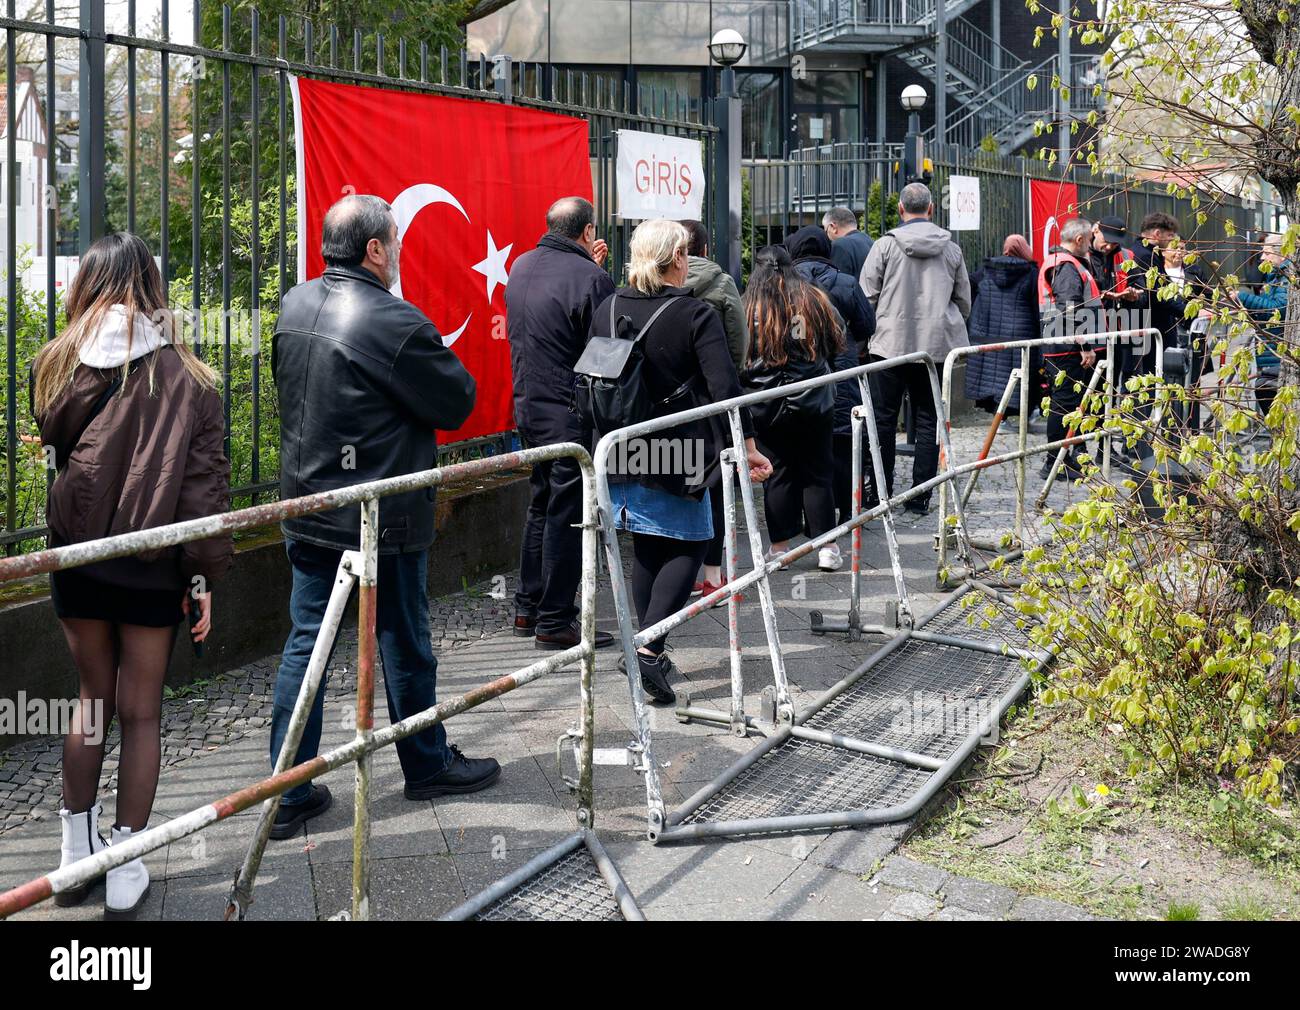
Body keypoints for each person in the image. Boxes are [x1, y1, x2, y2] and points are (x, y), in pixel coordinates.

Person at [270, 194, 498, 840]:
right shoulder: (394, 322)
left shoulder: (293, 304)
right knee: (403, 639)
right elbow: (458, 399)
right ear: (374, 249)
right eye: (394, 240)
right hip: (379, 516)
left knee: (305, 646)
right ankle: (425, 763)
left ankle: (286, 792)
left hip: (308, 506)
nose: (398, 250)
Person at [32, 232, 232, 918]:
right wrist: (204, 581)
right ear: (153, 286)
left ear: (87, 284)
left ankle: (71, 860)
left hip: (77, 559)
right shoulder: (191, 376)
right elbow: (205, 498)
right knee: (141, 711)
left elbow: (54, 442)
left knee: (91, 699)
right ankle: (125, 867)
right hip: (153, 564)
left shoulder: (55, 364)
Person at [588, 219, 771, 703]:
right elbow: (724, 389)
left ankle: (642, 643)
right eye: (686, 253)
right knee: (691, 544)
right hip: (681, 447)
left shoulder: (608, 306)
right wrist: (749, 447)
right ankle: (648, 650)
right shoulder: (694, 314)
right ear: (675, 260)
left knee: (648, 546)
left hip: (619, 444)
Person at [505, 197, 616, 651]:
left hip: (528, 406)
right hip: (569, 411)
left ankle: (527, 607)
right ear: (588, 232)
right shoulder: (592, 278)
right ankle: (555, 619)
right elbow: (606, 354)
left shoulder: (520, 266)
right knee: (567, 514)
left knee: (540, 504)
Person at [859, 182, 971, 513]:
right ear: (931, 209)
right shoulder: (951, 249)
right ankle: (921, 497)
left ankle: (879, 493)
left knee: (882, 420)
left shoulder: (884, 246)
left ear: (900, 209)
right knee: (927, 420)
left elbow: (866, 296)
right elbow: (963, 299)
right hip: (935, 346)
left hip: (889, 343)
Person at [743, 245, 844, 570]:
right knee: (818, 472)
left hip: (765, 404)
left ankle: (780, 549)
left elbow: (737, 353)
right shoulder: (813, 299)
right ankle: (826, 546)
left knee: (777, 472)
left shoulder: (748, 307)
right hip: (813, 399)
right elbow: (835, 340)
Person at [784, 224, 877, 531]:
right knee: (843, 442)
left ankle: (808, 520)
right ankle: (848, 513)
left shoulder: (781, 285)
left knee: (798, 446)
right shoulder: (846, 282)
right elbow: (867, 325)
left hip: (795, 374)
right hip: (840, 366)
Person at [682, 219, 749, 603]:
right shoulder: (721, 283)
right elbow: (738, 343)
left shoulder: (653, 280)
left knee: (679, 475)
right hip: (711, 396)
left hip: (669, 402)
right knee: (716, 481)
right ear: (705, 249)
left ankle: (685, 572)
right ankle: (712, 575)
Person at [1037, 216, 1103, 476]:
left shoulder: (1063, 263)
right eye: (1089, 240)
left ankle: (1063, 458)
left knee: (1069, 404)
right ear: (1079, 240)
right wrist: (1085, 345)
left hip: (1062, 344)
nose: (1091, 245)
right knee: (1064, 405)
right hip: (1066, 348)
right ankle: (1055, 462)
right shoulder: (1067, 265)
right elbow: (1070, 307)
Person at [965, 234, 1041, 415]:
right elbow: (1037, 306)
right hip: (1020, 335)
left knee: (992, 378)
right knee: (1019, 378)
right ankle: (1023, 417)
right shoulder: (1031, 273)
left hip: (988, 336)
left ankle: (999, 419)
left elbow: (968, 287)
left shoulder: (985, 270)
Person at [1236, 233, 1291, 418]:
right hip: (1271, 353)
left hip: (1279, 354)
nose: (1261, 258)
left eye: (1266, 253)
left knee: (1266, 388)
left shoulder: (1287, 277)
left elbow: (1277, 309)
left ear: (1282, 253)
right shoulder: (1274, 277)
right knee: (1265, 390)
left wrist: (1242, 297)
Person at [823, 205, 874, 281]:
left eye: (826, 231)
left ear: (833, 227)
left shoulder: (839, 245)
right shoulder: (869, 240)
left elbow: (838, 285)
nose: (826, 235)